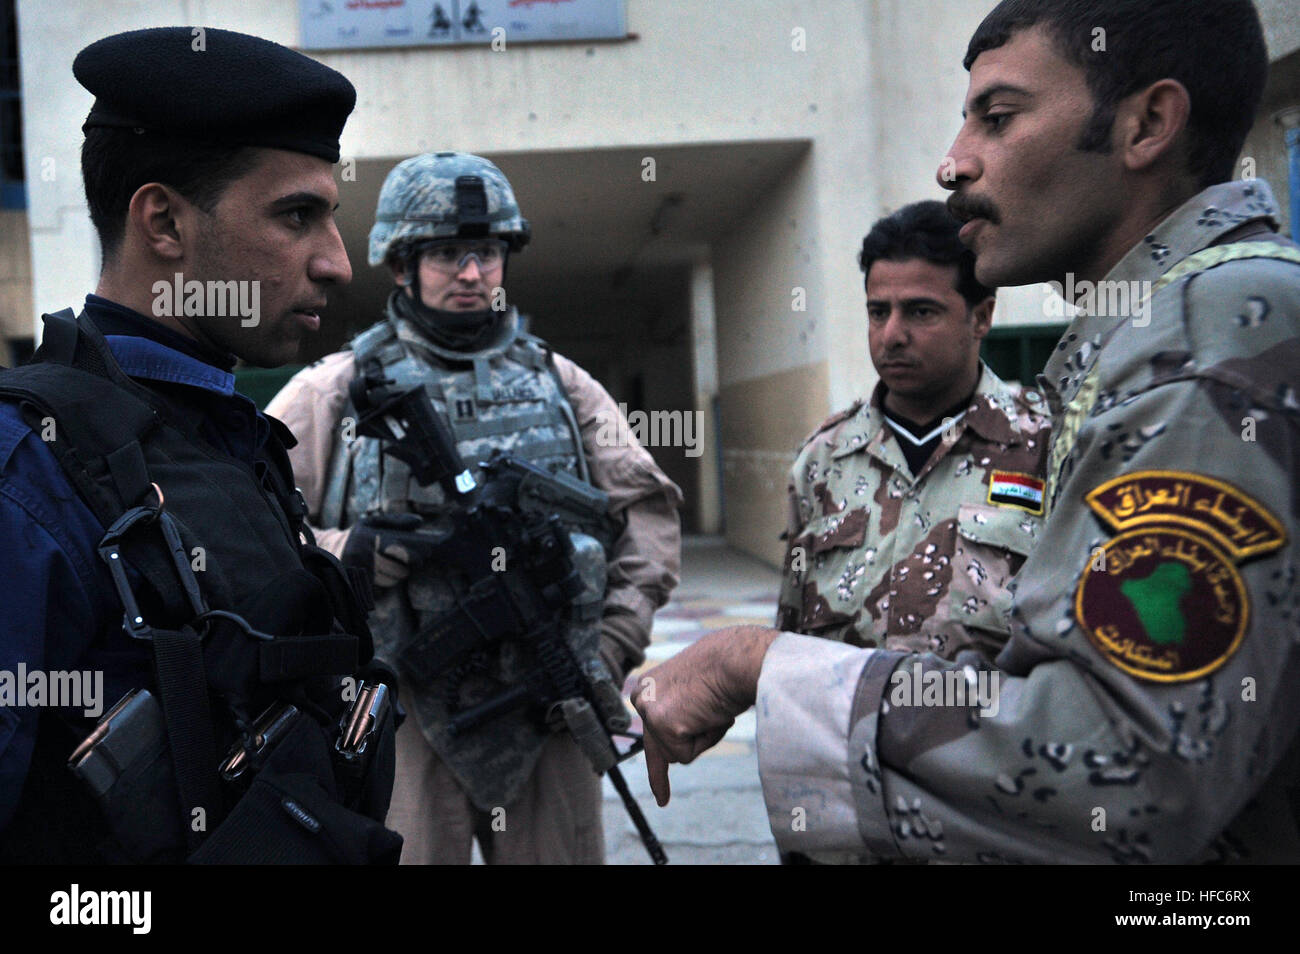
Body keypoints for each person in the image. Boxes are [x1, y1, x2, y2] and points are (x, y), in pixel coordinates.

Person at [633, 0, 1300, 863]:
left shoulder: (1207, 336)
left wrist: (759, 668)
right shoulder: (1152, 337)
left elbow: (1123, 771)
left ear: (1148, 124)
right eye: (877, 313)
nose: (953, 164)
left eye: (999, 116)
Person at [0, 26, 401, 864]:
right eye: (298, 215)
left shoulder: (226, 435)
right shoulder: (29, 471)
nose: (335, 261)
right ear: (165, 224)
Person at [267, 152, 683, 864]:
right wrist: (349, 554)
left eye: (486, 253)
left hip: (547, 712)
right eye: (447, 254)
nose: (471, 274)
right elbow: (250, 532)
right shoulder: (332, 391)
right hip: (399, 718)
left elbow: (645, 515)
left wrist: (610, 645)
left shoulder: (561, 384)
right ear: (401, 265)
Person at [777, 200, 1050, 664]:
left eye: (921, 312)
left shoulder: (1045, 447)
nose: (891, 335)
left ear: (981, 317)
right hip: (846, 733)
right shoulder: (824, 460)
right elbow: (791, 633)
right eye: (878, 312)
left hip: (980, 734)